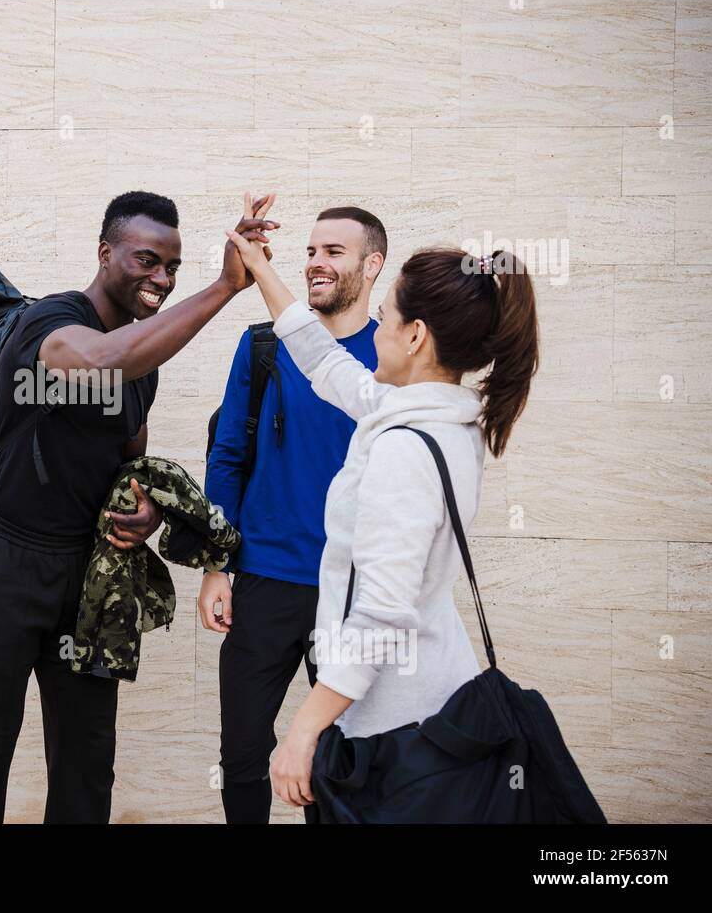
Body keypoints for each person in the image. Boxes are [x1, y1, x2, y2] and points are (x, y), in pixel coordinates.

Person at [0, 191, 275, 823]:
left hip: (89, 573)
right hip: (6, 558)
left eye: (172, 267)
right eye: (147, 260)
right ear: (105, 253)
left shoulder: (146, 360)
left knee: (88, 758)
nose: (162, 280)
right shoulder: (52, 322)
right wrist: (225, 288)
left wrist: (143, 512)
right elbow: (98, 359)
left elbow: (125, 456)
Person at [225, 204, 539, 809]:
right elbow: (327, 364)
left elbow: (382, 618)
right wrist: (261, 268)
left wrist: (304, 729)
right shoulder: (440, 417)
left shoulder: (403, 447)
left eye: (389, 318)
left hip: (398, 722)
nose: (379, 331)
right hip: (427, 698)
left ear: (416, 336)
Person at [203, 205, 386, 823]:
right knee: (244, 757)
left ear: (372, 265)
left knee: (342, 759)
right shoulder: (260, 349)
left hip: (352, 597)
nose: (316, 263)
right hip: (264, 582)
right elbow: (227, 456)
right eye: (310, 251)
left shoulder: (392, 362)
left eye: (334, 252)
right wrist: (216, 566)